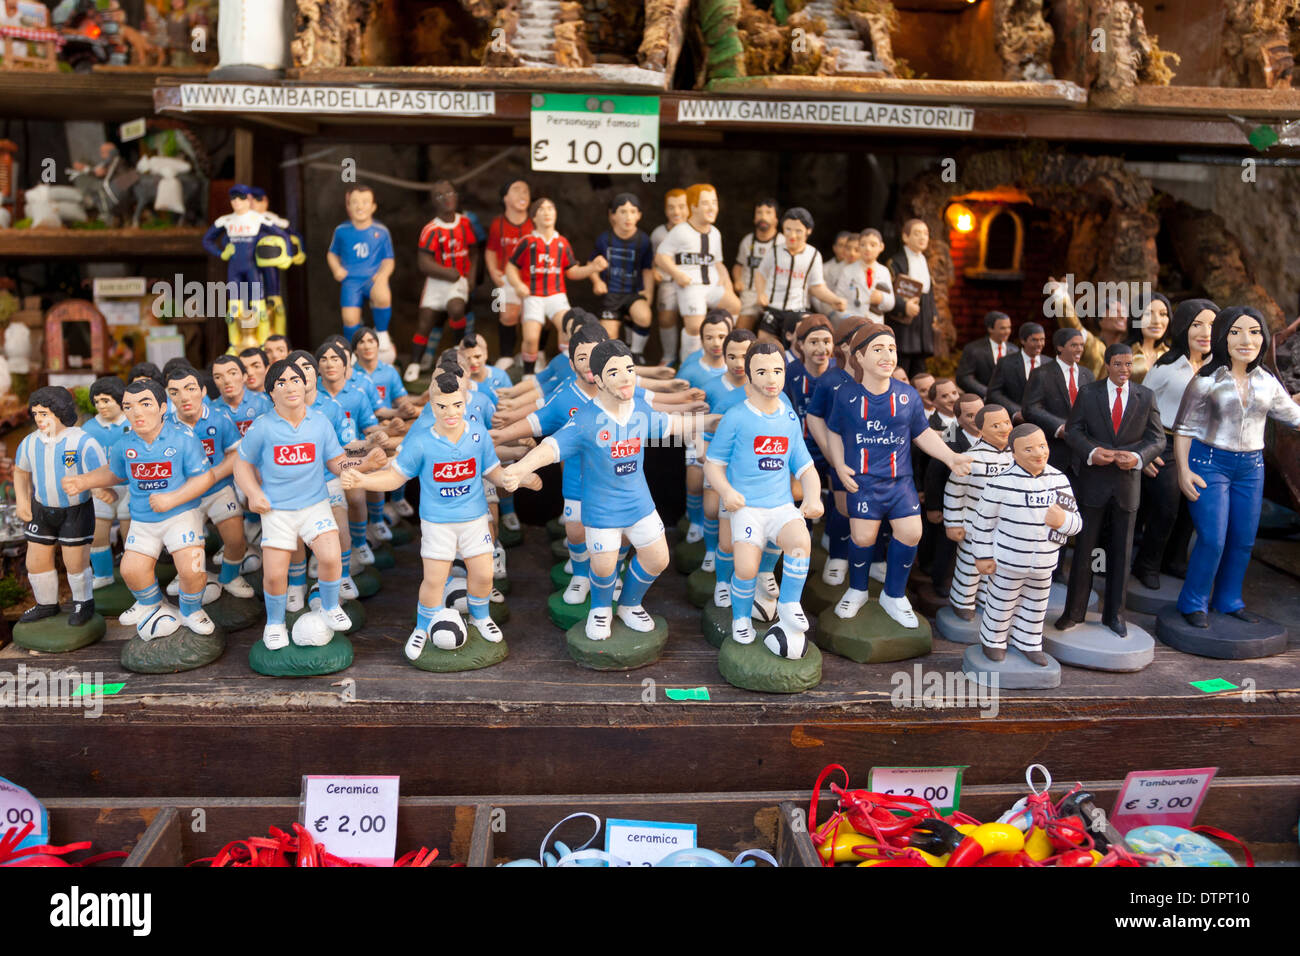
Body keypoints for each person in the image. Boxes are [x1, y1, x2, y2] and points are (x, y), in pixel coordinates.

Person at [505, 341, 712, 640]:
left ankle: (629, 604)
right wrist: (518, 470)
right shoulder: (586, 420)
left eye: (629, 369)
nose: (626, 377)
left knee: (658, 559)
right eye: (614, 372)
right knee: (603, 567)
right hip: (601, 511)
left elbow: (673, 423)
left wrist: (712, 424)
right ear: (599, 380)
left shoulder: (639, 411)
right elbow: (550, 448)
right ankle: (600, 609)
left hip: (640, 506)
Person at [344, 370, 533, 658]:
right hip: (438, 522)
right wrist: (363, 480)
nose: (451, 412)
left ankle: (481, 617)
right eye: (443, 406)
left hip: (474, 519)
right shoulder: (421, 440)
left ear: (465, 402)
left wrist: (513, 477)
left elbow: (492, 472)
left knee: (484, 574)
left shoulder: (478, 435)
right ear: (432, 407)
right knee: (434, 580)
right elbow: (394, 478)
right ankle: (422, 627)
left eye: (456, 405)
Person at [825, 326, 971, 627]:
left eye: (891, 349)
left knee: (911, 532)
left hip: (900, 482)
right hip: (864, 482)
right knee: (863, 537)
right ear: (859, 357)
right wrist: (839, 465)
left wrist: (950, 456)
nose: (887, 355)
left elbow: (922, 433)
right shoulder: (846, 396)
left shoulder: (907, 396)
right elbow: (834, 431)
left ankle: (894, 595)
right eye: (878, 349)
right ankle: (857, 590)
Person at [1173, 306, 1300, 628]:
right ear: (1222, 337)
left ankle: (1228, 599)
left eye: (1254, 332)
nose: (1247, 340)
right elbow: (1184, 429)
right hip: (1209, 462)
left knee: (1243, 538)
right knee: (1212, 538)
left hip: (1251, 468)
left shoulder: (1267, 382)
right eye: (1236, 332)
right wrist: (1184, 470)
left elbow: (1293, 416)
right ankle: (1193, 601)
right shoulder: (1206, 380)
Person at [64, 379, 215, 638]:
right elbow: (115, 473)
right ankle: (152, 604)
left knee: (191, 570)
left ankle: (191, 610)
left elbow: (205, 478)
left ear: (163, 408)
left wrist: (172, 499)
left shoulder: (183, 438)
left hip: (180, 516)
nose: (137, 412)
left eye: (145, 404)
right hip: (143, 519)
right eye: (129, 406)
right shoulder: (125, 444)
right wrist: (84, 481)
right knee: (131, 570)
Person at [705, 342, 823, 656]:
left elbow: (805, 466)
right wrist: (727, 492)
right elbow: (713, 464)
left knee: (800, 540)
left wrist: (813, 496)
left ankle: (789, 604)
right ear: (749, 375)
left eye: (777, 370)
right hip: (747, 508)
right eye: (762, 371)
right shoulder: (736, 417)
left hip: (780, 506)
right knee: (745, 568)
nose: (771, 378)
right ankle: (741, 618)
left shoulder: (789, 418)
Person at [235, 360, 352, 650]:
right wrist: (253, 493)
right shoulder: (262, 427)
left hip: (315, 504)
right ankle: (275, 623)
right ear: (271, 393)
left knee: (331, 556)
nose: (290, 387)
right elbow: (241, 464)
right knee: (275, 574)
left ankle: (330, 606)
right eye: (281, 382)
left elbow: (336, 461)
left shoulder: (320, 422)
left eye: (295, 380)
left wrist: (361, 465)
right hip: (277, 510)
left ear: (306, 384)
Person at [1057, 343, 1164, 637]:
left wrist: (1139, 458)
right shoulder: (1088, 393)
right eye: (1118, 364)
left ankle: (1115, 616)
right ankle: (1074, 612)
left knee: (1121, 552)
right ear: (1107, 365)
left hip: (1127, 485)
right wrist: (1092, 452)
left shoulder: (1146, 396)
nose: (1124, 370)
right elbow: (1073, 430)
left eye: (1129, 364)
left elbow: (1158, 439)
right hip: (1093, 483)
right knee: (1084, 550)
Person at [970, 424, 1082, 664]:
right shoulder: (1000, 482)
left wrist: (1063, 521)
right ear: (1014, 453)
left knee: (1036, 605)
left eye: (1042, 446)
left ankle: (1028, 642)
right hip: (1008, 561)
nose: (1039, 453)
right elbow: (982, 523)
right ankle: (993, 641)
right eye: (1029, 449)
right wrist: (982, 555)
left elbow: (1077, 523)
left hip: (1044, 563)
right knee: (1001, 602)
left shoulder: (1059, 479)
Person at [1131, 298, 1217, 586]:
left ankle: (1175, 559)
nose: (1205, 332)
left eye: (1212, 325)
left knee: (1192, 505)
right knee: (1166, 506)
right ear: (1183, 328)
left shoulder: (1217, 368)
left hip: (1200, 444)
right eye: (1197, 325)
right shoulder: (1166, 367)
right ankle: (1147, 564)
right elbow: (1139, 407)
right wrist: (1143, 449)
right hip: (1164, 442)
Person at [16, 386, 107, 627]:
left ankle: (83, 603)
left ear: (60, 412)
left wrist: (99, 489)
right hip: (41, 510)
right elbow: (21, 472)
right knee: (36, 560)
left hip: (75, 510)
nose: (39, 419)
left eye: (44, 413)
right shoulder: (29, 442)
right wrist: (23, 501)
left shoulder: (82, 441)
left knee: (75, 561)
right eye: (36, 414)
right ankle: (46, 603)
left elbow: (101, 473)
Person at [164, 365, 254, 599]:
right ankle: (185, 575)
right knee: (184, 545)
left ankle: (230, 576)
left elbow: (235, 454)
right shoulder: (165, 425)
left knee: (235, 538)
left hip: (217, 489)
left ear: (203, 391)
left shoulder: (220, 418)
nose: (184, 397)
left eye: (190, 388)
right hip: (185, 495)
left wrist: (212, 476)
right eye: (175, 392)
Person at [506, 197, 607, 374]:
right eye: (541, 209)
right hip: (533, 296)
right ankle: (528, 374)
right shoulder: (527, 242)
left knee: (569, 328)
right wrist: (518, 284)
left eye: (550, 208)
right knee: (530, 338)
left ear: (556, 214)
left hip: (556, 295)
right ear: (533, 217)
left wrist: (592, 268)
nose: (547, 213)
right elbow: (511, 266)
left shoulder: (562, 243)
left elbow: (572, 271)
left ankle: (566, 369)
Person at [804, 317, 870, 585]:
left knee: (872, 511)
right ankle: (838, 556)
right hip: (842, 453)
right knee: (843, 507)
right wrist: (830, 451)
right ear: (844, 346)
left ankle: (873, 559)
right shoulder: (830, 379)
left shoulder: (877, 376)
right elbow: (814, 415)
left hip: (874, 456)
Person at [942, 404, 1013, 620]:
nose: (1004, 428)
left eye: (1007, 422)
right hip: (974, 525)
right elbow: (954, 490)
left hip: (1004, 527)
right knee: (969, 566)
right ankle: (962, 601)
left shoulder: (1016, 456)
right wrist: (953, 522)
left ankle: (985, 598)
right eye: (996, 425)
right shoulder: (970, 458)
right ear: (980, 428)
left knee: (994, 565)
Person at [654, 183, 740, 360]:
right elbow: (661, 257)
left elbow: (717, 262)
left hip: (711, 285)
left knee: (734, 305)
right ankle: (689, 363)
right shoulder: (681, 231)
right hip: (690, 286)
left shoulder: (715, 233)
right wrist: (677, 274)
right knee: (694, 327)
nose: (712, 208)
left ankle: (718, 356)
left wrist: (727, 283)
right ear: (693, 207)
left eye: (714, 202)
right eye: (706, 203)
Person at [406, 179, 479, 381]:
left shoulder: (465, 223)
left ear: (456, 195)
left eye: (449, 193)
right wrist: (447, 272)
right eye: (440, 195)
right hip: (437, 282)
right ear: (433, 201)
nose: (446, 198)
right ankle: (415, 362)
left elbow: (474, 252)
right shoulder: (431, 229)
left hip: (458, 281)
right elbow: (423, 263)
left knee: (456, 308)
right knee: (426, 322)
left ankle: (458, 354)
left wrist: (471, 277)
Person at [201, 184, 286, 349]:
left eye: (241, 197)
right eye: (233, 198)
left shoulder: (258, 218)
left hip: (253, 269)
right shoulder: (226, 220)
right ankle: (234, 345)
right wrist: (221, 253)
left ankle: (263, 346)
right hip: (234, 271)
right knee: (233, 312)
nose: (237, 201)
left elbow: (283, 235)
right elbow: (207, 240)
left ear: (248, 200)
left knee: (260, 310)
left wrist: (285, 255)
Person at [753, 207, 846, 344]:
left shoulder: (813, 255)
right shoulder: (775, 252)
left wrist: (833, 300)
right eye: (788, 229)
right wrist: (761, 293)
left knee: (798, 343)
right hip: (773, 308)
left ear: (808, 231)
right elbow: (760, 273)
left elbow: (816, 287)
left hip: (797, 310)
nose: (792, 235)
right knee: (764, 341)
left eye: (798, 231)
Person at [591, 193, 656, 362]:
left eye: (633, 211)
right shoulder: (604, 239)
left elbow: (647, 269)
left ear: (639, 215)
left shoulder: (643, 241)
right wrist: (597, 281)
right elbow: (591, 264)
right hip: (611, 294)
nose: (628, 217)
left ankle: (636, 354)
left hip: (633, 293)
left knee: (644, 316)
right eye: (623, 212)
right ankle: (614, 362)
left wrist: (649, 292)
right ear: (612, 215)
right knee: (608, 335)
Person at [327, 184, 395, 342]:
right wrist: (336, 269)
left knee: (383, 296)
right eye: (355, 202)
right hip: (351, 280)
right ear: (348, 206)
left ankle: (382, 334)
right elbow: (332, 253)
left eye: (365, 202)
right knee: (350, 318)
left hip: (373, 278)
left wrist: (383, 275)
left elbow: (388, 259)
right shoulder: (341, 231)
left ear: (373, 206)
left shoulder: (381, 232)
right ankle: (353, 346)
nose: (360, 206)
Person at [82, 376, 132, 590]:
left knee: (131, 535)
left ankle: (135, 576)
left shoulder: (132, 422)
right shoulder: (88, 428)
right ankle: (103, 574)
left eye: (106, 400)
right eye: (97, 401)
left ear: (120, 400)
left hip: (130, 488)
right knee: (97, 533)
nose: (101, 406)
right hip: (100, 488)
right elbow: (81, 461)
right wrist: (95, 487)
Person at [1023, 328, 1092, 474]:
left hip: (1083, 456)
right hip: (1055, 453)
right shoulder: (1041, 373)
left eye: (1081, 345)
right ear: (1060, 347)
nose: (1080, 349)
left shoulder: (1087, 374)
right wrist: (1059, 427)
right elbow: (1030, 408)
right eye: (1074, 345)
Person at [485, 179, 533, 368]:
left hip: (532, 278)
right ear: (505, 198)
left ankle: (537, 354)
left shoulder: (535, 222)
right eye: (516, 190)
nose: (522, 195)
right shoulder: (498, 224)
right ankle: (506, 354)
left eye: (526, 191)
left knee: (535, 317)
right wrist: (492, 270)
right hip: (506, 279)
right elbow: (491, 250)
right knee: (506, 315)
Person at [886, 219, 938, 378]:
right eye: (917, 233)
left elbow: (930, 291)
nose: (922, 237)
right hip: (904, 325)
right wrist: (903, 306)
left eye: (925, 234)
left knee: (920, 370)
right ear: (905, 237)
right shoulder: (896, 262)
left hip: (923, 325)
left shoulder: (926, 261)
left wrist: (934, 314)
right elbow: (888, 293)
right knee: (902, 368)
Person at [650, 188, 689, 364]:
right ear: (665, 209)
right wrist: (654, 270)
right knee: (666, 318)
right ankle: (669, 356)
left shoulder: (696, 230)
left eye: (681, 206)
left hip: (691, 282)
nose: (676, 211)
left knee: (693, 320)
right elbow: (652, 258)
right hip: (668, 281)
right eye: (671, 207)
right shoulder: (659, 233)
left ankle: (689, 359)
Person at [732, 198, 784, 328]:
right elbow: (738, 265)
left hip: (773, 294)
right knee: (740, 330)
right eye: (759, 213)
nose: (763, 217)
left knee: (776, 330)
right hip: (750, 293)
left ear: (776, 219)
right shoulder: (747, 241)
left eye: (768, 213)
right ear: (754, 218)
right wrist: (737, 280)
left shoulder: (783, 243)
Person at [834, 228, 894, 326]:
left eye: (873, 245)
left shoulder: (884, 271)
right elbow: (838, 301)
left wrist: (882, 298)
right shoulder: (847, 271)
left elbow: (891, 302)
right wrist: (849, 318)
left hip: (876, 324)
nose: (868, 249)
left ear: (881, 247)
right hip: (853, 324)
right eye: (863, 245)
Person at [987, 322, 1045, 418]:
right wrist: (1015, 412)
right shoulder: (1005, 363)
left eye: (1042, 339)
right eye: (1034, 340)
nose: (1039, 344)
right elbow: (994, 393)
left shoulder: (1049, 363)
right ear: (1023, 340)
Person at [955, 310, 1016, 398]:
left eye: (1009, 327)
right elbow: (964, 377)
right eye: (1002, 328)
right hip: (982, 399)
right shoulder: (973, 349)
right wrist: (989, 393)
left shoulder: (1014, 350)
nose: (1007, 331)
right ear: (990, 329)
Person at [1126, 292, 1171, 384]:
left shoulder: (1173, 355)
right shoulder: (1121, 354)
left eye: (1163, 314)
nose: (1157, 321)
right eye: (1148, 314)